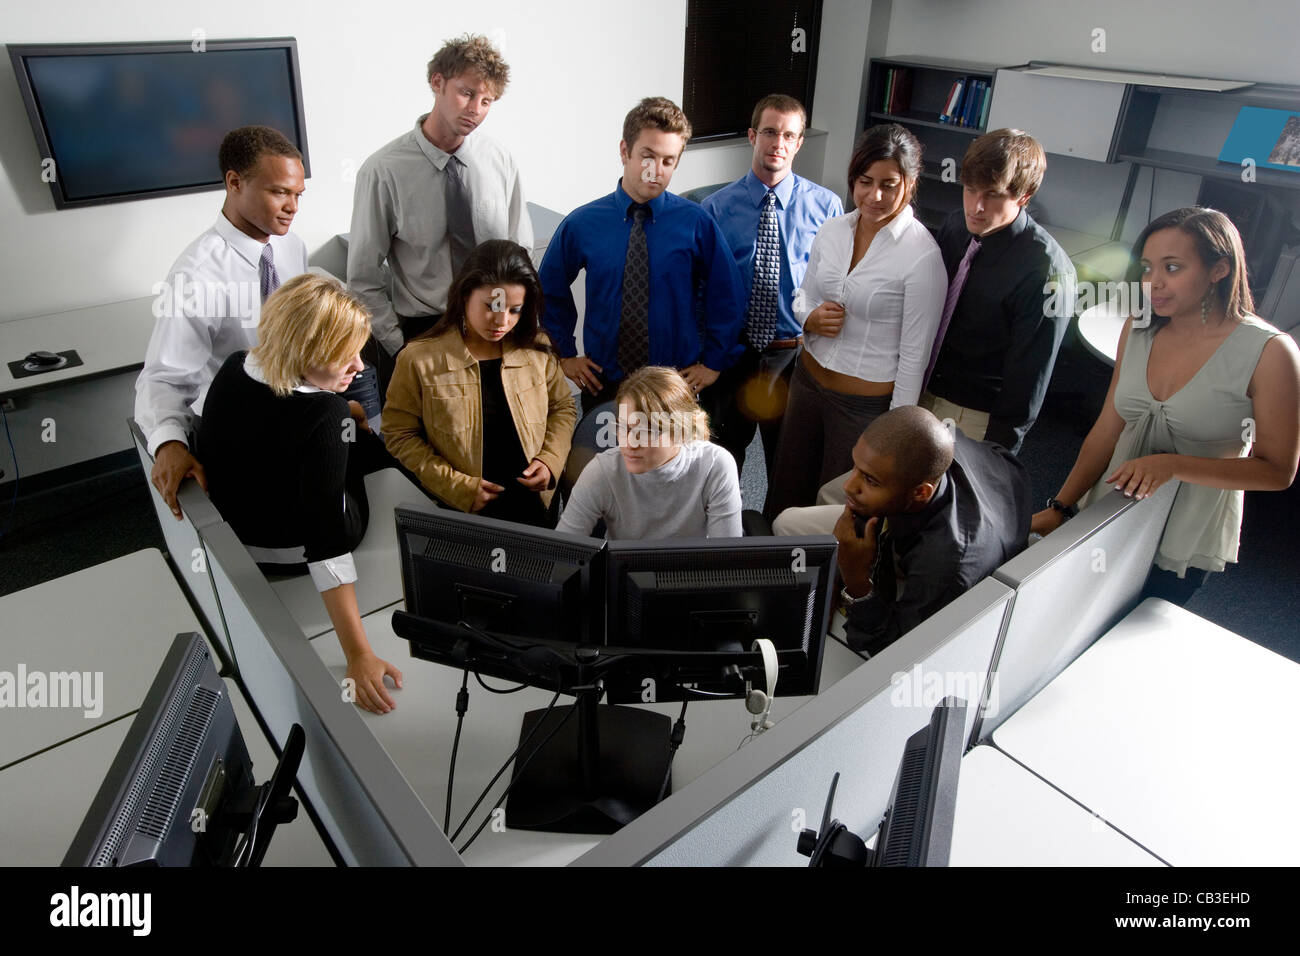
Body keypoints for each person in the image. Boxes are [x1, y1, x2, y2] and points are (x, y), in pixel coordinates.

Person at [1031, 207, 1300, 605]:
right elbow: (1108, 426)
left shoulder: (1271, 352)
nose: (1153, 283)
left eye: (1172, 268)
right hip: (1108, 509)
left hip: (1184, 535)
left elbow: (1278, 472)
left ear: (1219, 270)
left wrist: (1173, 465)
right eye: (1147, 268)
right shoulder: (1138, 327)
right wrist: (1062, 505)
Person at [197, 274, 404, 715]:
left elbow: (272, 422)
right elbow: (327, 542)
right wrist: (358, 654)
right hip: (290, 552)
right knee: (369, 450)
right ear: (304, 352)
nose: (360, 367)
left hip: (237, 541)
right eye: (344, 355)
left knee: (349, 422)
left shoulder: (235, 365)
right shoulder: (324, 413)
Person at [763, 123, 946, 522]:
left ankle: (820, 587)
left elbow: (914, 359)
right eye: (865, 182)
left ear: (910, 184)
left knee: (837, 510)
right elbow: (803, 295)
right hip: (806, 385)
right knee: (784, 491)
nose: (874, 196)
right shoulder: (832, 230)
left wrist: (894, 440)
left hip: (863, 408)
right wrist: (807, 316)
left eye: (889, 185)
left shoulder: (922, 257)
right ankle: (768, 577)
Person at [348, 34, 532, 405]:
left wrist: (519, 327)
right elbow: (363, 278)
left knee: (500, 433)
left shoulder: (499, 160)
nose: (475, 109)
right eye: (466, 93)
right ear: (437, 82)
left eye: (487, 101)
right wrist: (402, 347)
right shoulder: (383, 171)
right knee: (432, 447)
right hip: (426, 328)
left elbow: (521, 252)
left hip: (497, 323)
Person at [136, 125, 308, 519]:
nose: (292, 207)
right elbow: (162, 377)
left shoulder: (289, 245)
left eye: (298, 194)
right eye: (279, 192)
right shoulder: (197, 275)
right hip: (237, 427)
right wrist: (168, 443)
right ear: (234, 182)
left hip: (294, 411)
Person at [539, 97, 746, 413]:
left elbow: (727, 293)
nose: (656, 170)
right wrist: (565, 353)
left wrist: (714, 363)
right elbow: (548, 288)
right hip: (605, 382)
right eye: (647, 156)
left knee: (672, 463)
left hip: (675, 384)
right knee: (606, 462)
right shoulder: (583, 223)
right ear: (625, 151)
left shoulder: (697, 223)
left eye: (668, 161)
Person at [700, 94, 843, 480]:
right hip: (734, 355)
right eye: (769, 132)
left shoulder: (828, 208)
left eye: (788, 134)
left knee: (789, 464)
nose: (777, 143)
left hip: (793, 357)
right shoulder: (713, 209)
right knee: (721, 460)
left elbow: (836, 285)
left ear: (798, 143)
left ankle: (778, 536)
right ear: (752, 135)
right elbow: (702, 290)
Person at [382, 240, 576, 524]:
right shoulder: (418, 359)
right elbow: (399, 434)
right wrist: (453, 485)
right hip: (461, 508)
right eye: (492, 306)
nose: (502, 320)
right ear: (464, 295)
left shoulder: (537, 347)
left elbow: (563, 408)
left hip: (535, 505)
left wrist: (551, 460)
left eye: (515, 310)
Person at [834, 406, 1032, 657]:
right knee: (792, 520)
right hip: (987, 510)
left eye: (870, 480)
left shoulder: (946, 562)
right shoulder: (938, 447)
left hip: (956, 597)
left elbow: (897, 653)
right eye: (855, 466)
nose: (848, 486)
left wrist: (855, 577)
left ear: (921, 492)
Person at [924, 128, 1075, 454]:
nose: (976, 206)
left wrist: (997, 457)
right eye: (970, 189)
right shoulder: (954, 225)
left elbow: (1027, 384)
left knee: (958, 502)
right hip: (922, 390)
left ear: (1023, 197)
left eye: (992, 194)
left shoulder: (1047, 272)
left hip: (975, 417)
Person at [555, 366, 743, 539]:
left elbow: (726, 558)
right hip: (622, 573)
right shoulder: (602, 470)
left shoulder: (715, 464)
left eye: (645, 432)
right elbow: (563, 552)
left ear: (681, 431)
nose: (630, 443)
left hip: (690, 574)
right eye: (623, 428)